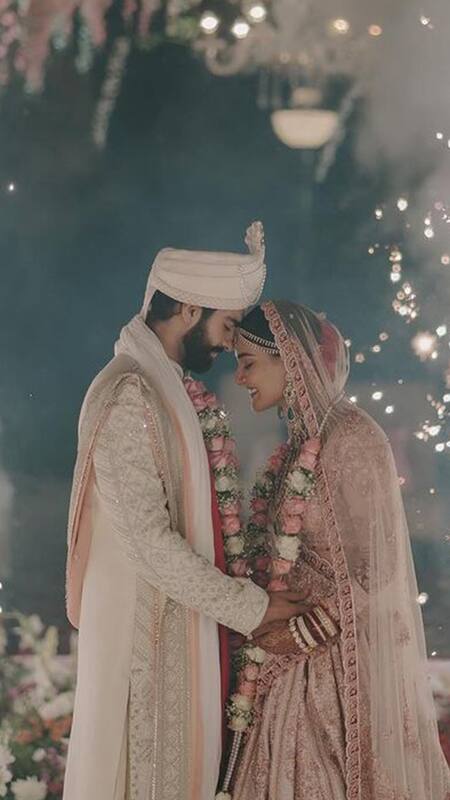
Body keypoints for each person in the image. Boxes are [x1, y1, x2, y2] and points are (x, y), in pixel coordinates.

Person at [63, 226, 308, 800]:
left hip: (172, 628)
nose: (229, 343)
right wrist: (252, 608)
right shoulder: (129, 393)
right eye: (227, 324)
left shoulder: (159, 385)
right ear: (190, 309)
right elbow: (147, 541)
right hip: (141, 640)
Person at [226, 300, 450, 800]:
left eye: (248, 363)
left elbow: (381, 569)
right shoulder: (297, 443)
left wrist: (302, 632)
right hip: (290, 663)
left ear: (290, 359)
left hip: (337, 662)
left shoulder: (352, 436)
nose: (240, 379)